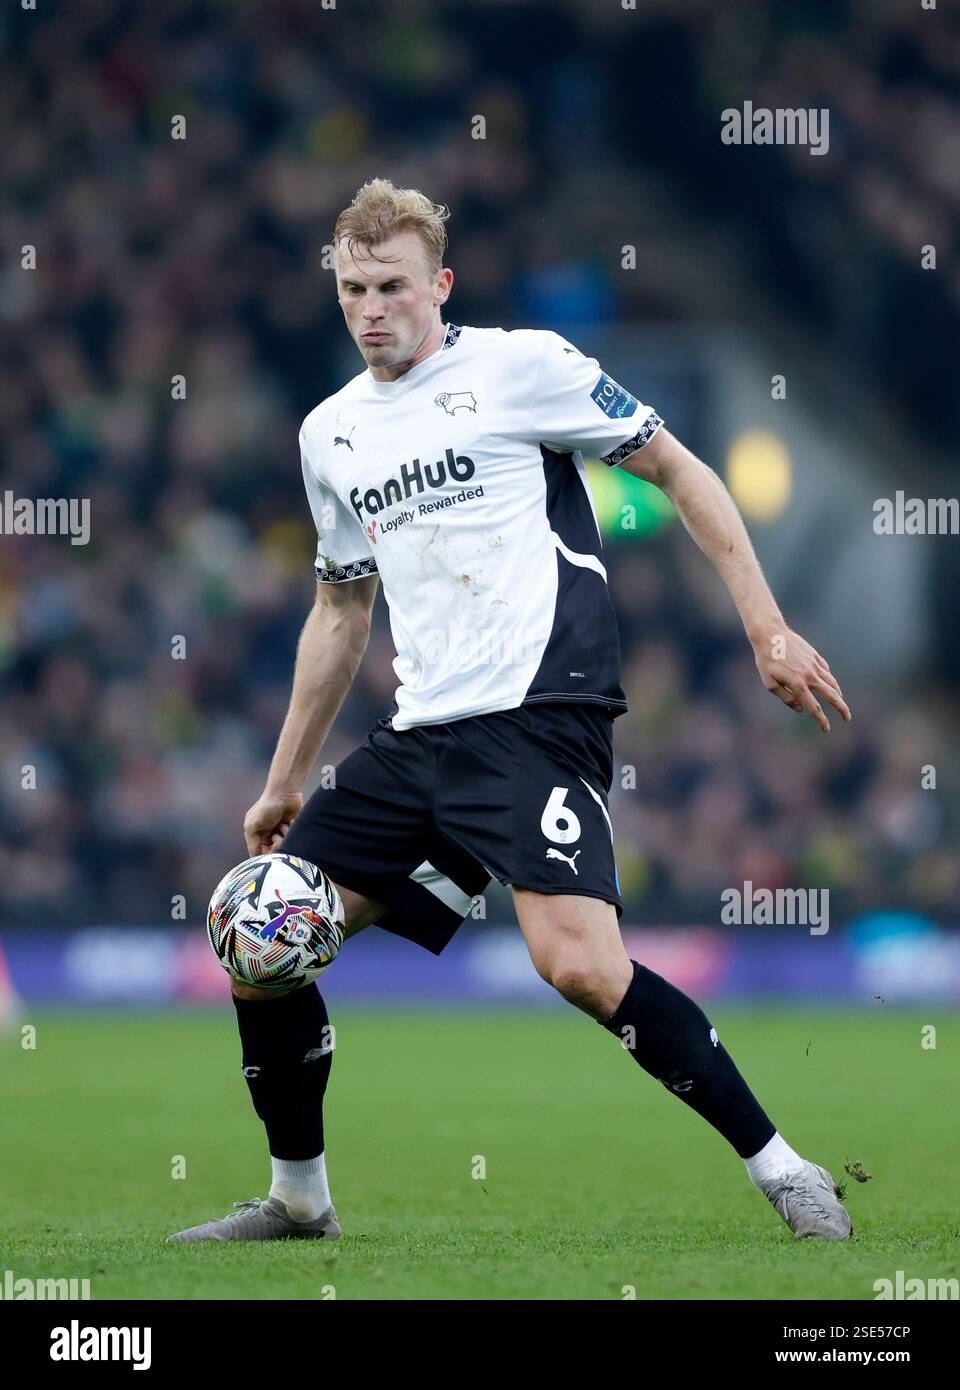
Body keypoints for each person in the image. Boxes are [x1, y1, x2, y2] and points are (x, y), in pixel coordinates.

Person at [169, 178, 852, 1245]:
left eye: (392, 285)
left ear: (439, 284)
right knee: (260, 935)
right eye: (352, 288)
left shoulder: (523, 368)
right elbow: (341, 612)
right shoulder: (330, 435)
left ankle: (786, 1169)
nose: (370, 307)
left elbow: (680, 471)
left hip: (538, 716)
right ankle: (299, 1197)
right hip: (419, 738)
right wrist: (284, 779)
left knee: (579, 964)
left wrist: (768, 628)